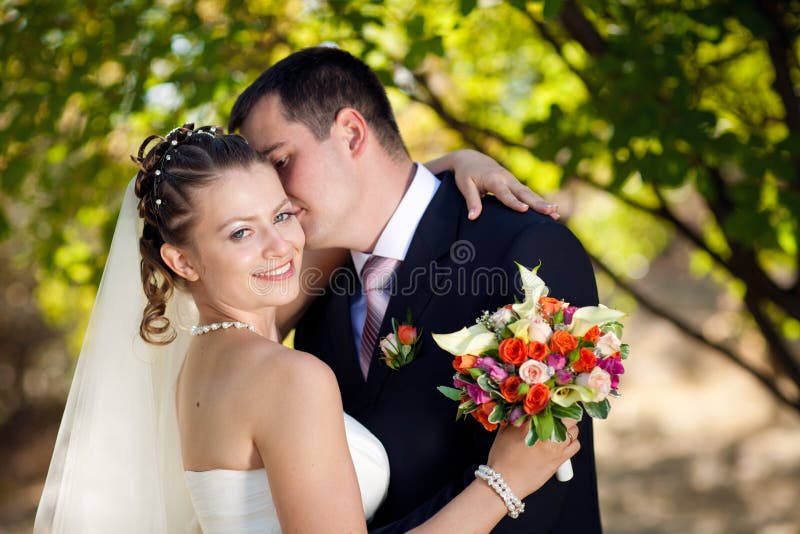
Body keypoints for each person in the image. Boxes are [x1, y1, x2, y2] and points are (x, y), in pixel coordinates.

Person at [33, 124, 579, 533]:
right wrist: (501, 483)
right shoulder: (288, 377)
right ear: (183, 262)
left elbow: (367, 215)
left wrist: (446, 164)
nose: (280, 246)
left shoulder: (201, 358)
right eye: (240, 233)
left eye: (283, 214)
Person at [228, 46, 603, 533]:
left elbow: (538, 499)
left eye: (279, 162)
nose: (271, 195)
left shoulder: (525, 252)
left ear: (351, 133)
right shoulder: (313, 296)